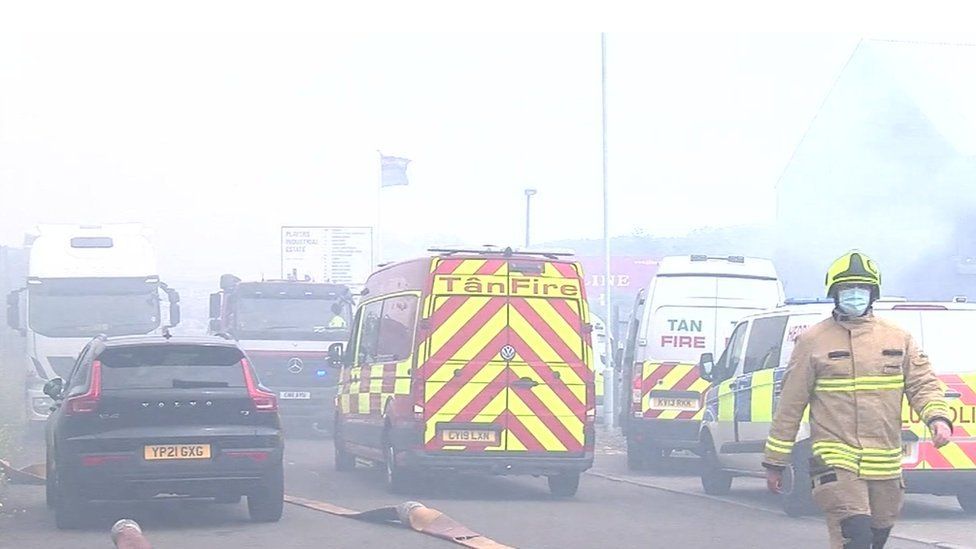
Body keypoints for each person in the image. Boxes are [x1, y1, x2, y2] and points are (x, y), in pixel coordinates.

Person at [763, 251, 953, 549]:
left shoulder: (898, 338)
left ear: (873, 293)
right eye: (847, 289)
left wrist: (938, 419)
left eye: (861, 289)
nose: (854, 295)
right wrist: (775, 462)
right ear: (835, 294)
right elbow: (790, 405)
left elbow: (922, 383)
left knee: (876, 538)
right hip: (834, 457)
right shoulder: (813, 341)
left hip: (885, 461)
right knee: (856, 534)